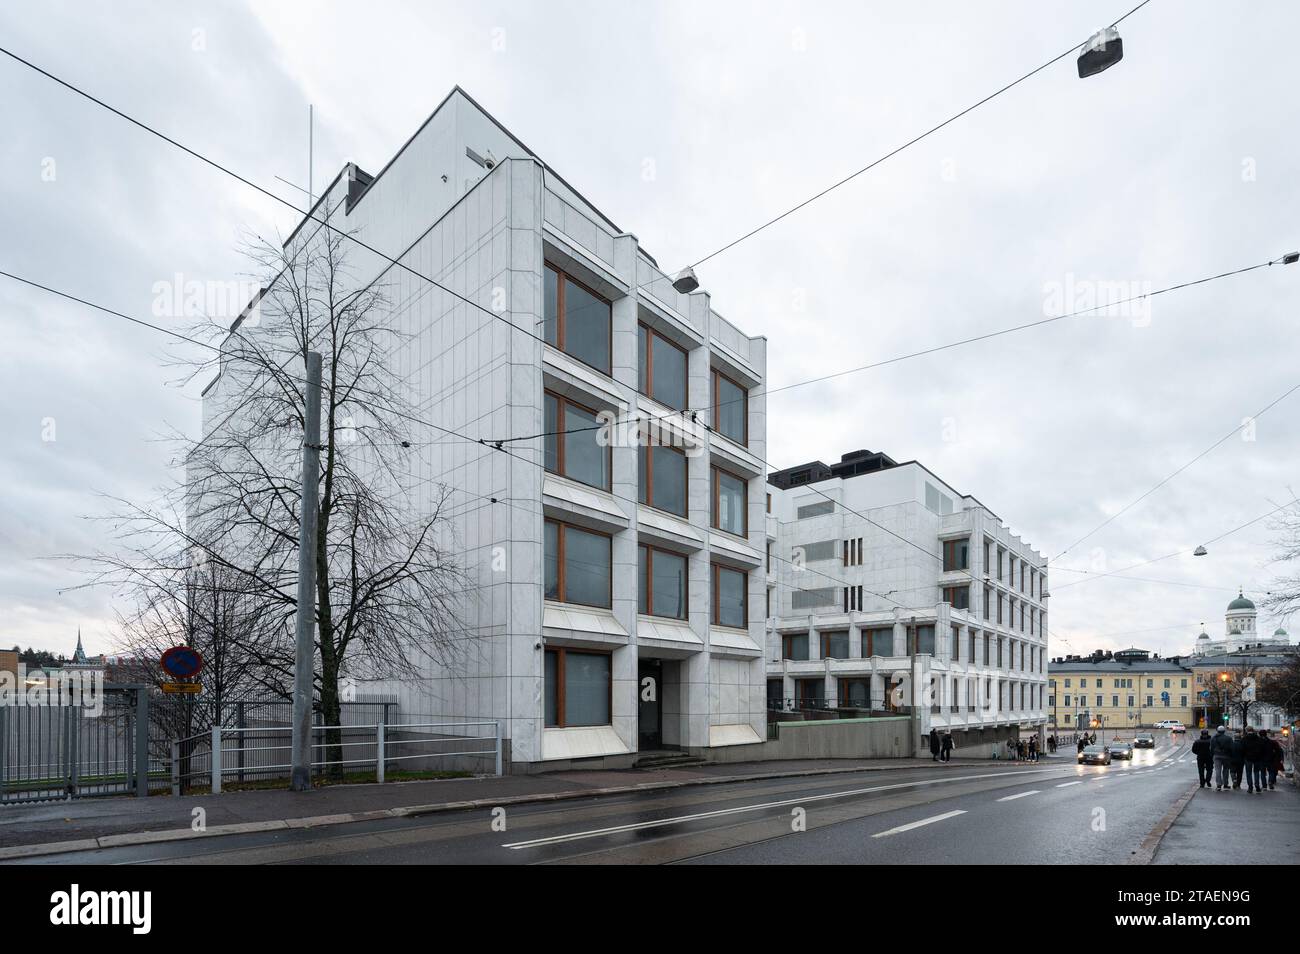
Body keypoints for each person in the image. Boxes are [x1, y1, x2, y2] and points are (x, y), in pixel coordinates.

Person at [1241, 727, 1268, 794]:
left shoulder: (1244, 739)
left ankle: (1250, 787)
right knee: (1256, 772)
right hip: (1257, 758)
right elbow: (1262, 748)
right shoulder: (1258, 738)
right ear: (1253, 730)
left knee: (1248, 773)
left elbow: (1242, 749)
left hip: (1248, 758)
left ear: (1247, 731)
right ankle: (1257, 786)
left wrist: (1244, 756)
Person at [1210, 725, 1233, 791]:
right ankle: (1225, 784)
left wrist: (1212, 755)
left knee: (1218, 770)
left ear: (1217, 731)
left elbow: (1211, 748)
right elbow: (1232, 748)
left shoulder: (1213, 738)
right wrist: (1231, 756)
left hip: (1217, 755)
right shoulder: (1228, 738)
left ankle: (1219, 785)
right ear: (1224, 731)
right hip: (1226, 756)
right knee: (1226, 770)